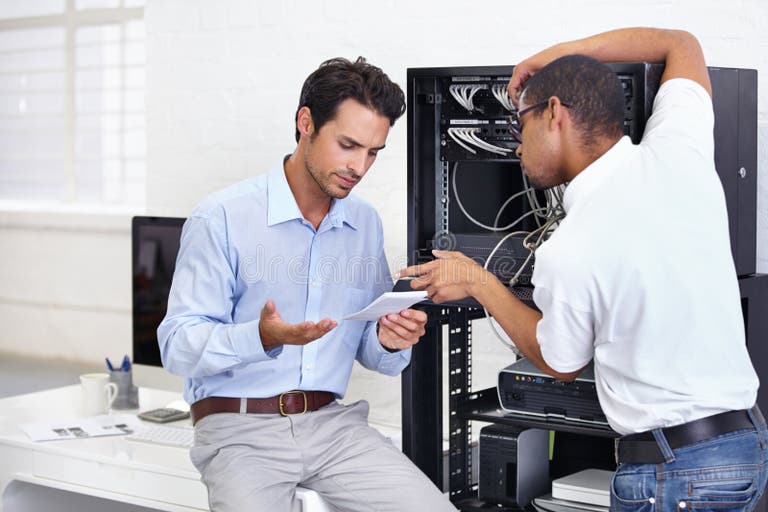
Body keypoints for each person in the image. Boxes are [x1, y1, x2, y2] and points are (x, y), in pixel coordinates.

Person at [397, 28, 767, 511]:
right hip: (745, 448)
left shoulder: (572, 245)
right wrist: (557, 55)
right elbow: (682, 44)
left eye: (521, 125)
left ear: (554, 113)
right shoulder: (681, 151)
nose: (517, 147)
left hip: (673, 474)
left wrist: (479, 281)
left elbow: (561, 362)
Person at [158, 57, 457, 512]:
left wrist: (390, 339)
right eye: (348, 145)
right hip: (239, 432)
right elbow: (177, 346)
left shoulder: (364, 222)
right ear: (306, 123)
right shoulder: (221, 217)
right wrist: (261, 337)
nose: (359, 166)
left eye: (373, 152)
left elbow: (370, 349)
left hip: (334, 429)